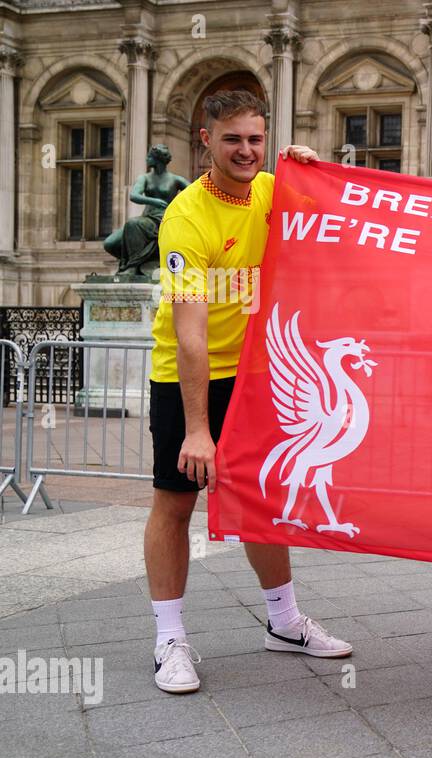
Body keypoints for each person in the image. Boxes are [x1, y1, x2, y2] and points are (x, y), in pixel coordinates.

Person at [145, 90, 352, 694]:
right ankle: (170, 639)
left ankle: (285, 623)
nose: (246, 150)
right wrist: (198, 428)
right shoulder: (186, 218)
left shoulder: (270, 189)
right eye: (232, 138)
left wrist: (312, 168)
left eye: (256, 139)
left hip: (255, 374)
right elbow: (190, 336)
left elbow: (358, 217)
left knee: (265, 497)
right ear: (205, 139)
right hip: (188, 375)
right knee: (176, 502)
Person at [104, 144, 188, 277]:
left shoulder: (176, 179)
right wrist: (153, 201)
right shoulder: (145, 178)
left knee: (133, 224)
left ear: (158, 158)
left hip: (166, 220)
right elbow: (134, 195)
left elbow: (196, 196)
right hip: (148, 218)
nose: (147, 158)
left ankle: (133, 267)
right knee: (110, 243)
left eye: (149, 156)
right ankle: (139, 263)